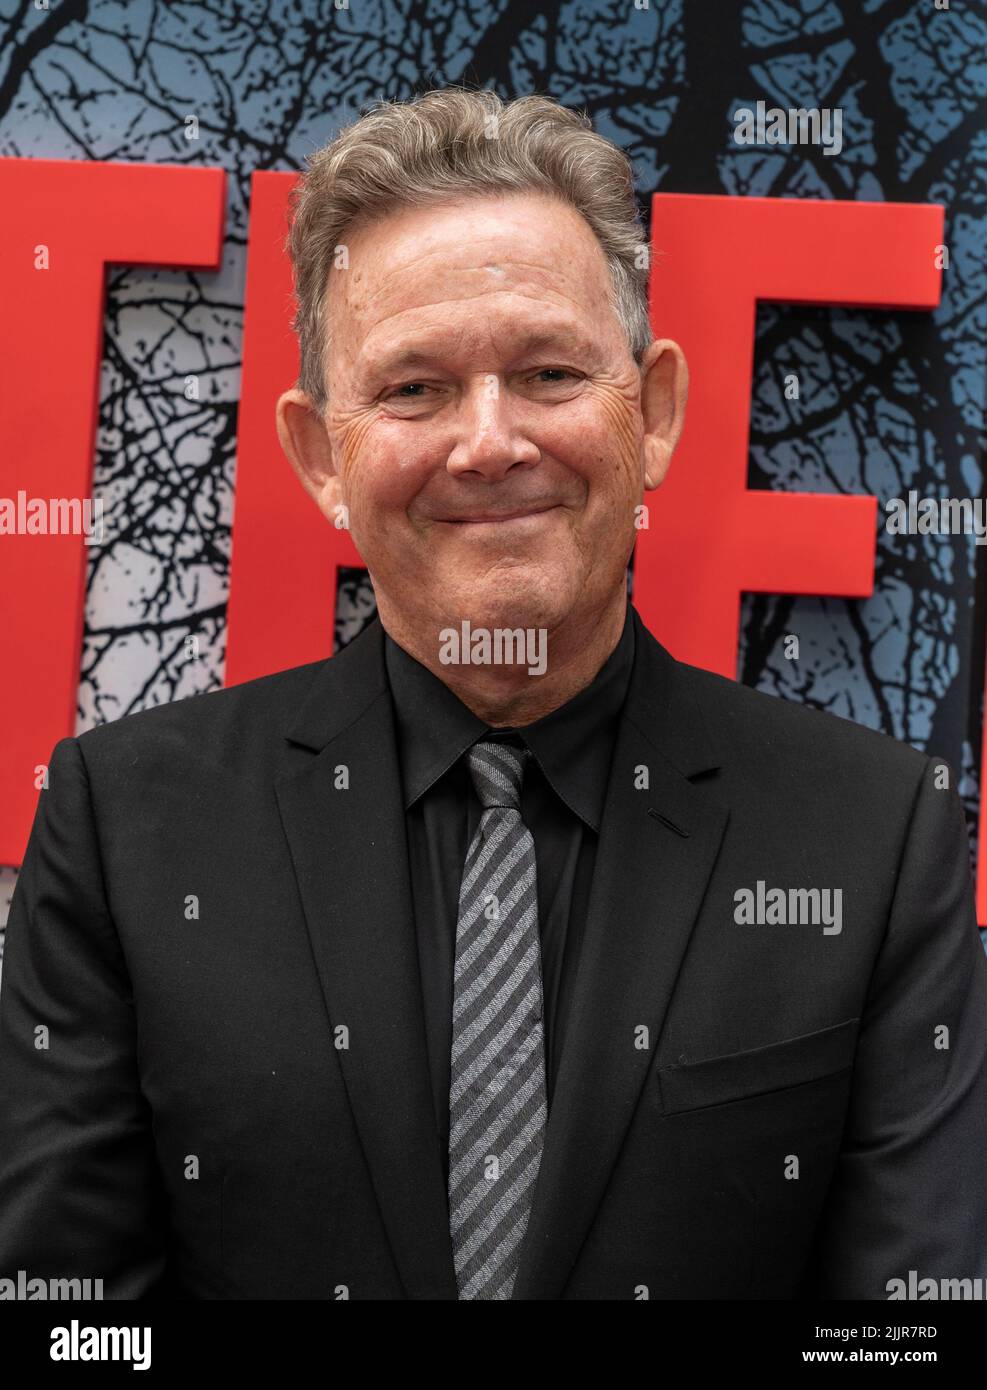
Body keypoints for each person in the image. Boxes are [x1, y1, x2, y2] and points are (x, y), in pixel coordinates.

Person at [1, 87, 985, 1301]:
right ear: (321, 456)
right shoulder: (125, 826)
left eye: (550, 370)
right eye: (412, 388)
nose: (487, 442)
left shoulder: (870, 835)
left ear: (657, 413)